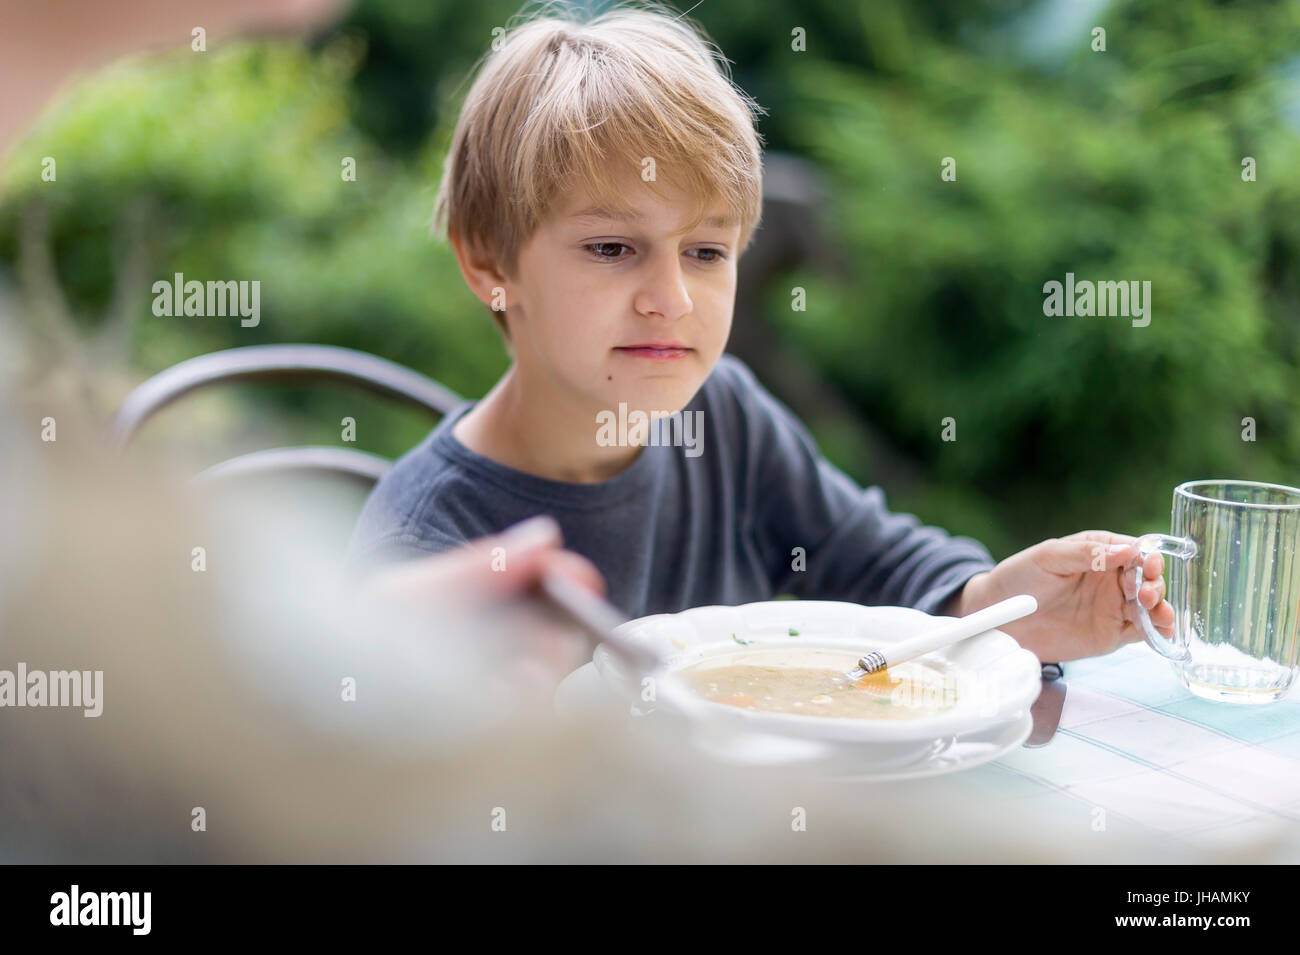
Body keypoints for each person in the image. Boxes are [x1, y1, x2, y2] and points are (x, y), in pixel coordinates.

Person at [347, 3, 1173, 664]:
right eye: (611, 247)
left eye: (705, 251)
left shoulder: (724, 416)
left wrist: (1005, 608)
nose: (670, 298)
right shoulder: (425, 551)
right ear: (489, 261)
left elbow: (877, 565)